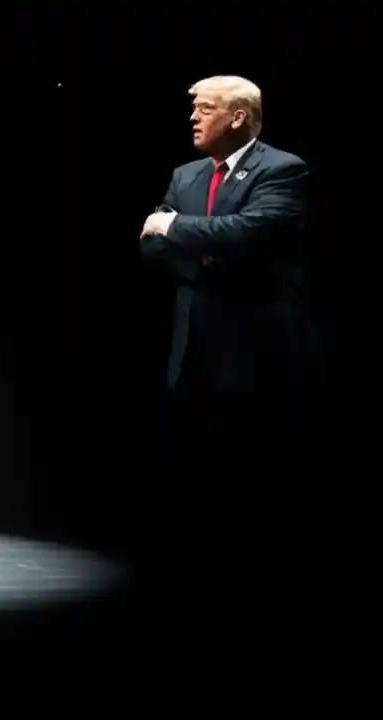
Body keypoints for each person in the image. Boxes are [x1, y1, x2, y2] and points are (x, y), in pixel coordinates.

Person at [138, 75, 325, 550]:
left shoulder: (283, 168)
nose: (193, 117)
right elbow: (151, 250)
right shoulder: (186, 175)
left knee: (256, 472)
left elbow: (252, 230)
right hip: (193, 344)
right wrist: (207, 249)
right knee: (192, 470)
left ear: (237, 117)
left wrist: (177, 226)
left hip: (256, 348)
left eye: (203, 108)